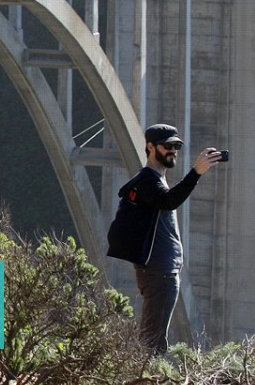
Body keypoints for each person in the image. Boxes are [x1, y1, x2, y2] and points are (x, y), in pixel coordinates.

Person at [106, 123, 224, 354]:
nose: (173, 150)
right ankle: (144, 377)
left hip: (162, 271)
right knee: (153, 341)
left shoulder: (153, 180)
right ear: (150, 147)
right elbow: (168, 201)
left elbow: (166, 200)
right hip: (159, 273)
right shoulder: (147, 180)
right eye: (167, 145)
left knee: (154, 337)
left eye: (176, 145)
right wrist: (196, 172)